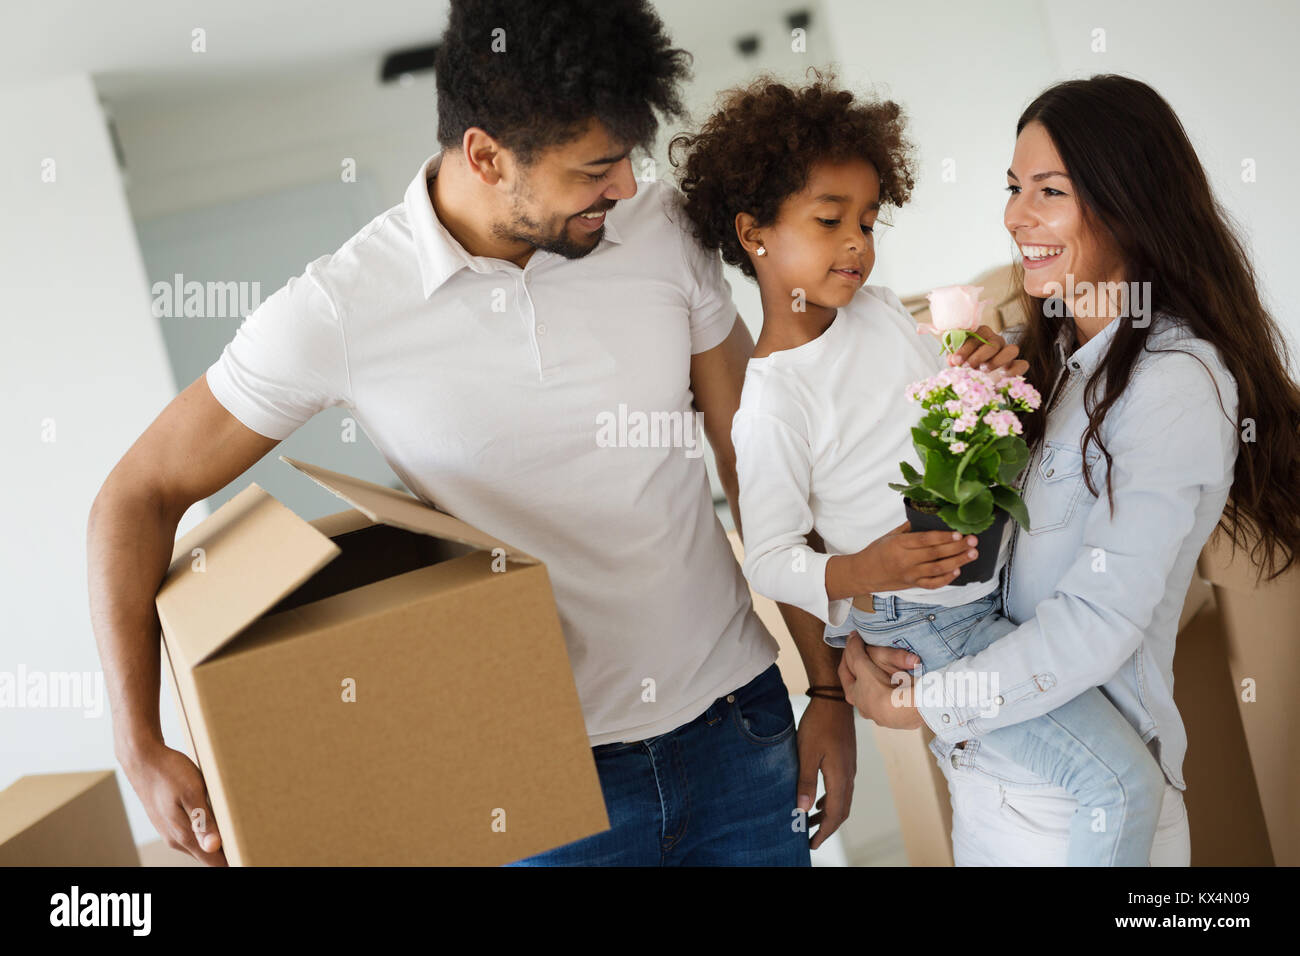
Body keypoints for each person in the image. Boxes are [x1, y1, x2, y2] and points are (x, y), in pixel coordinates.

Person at [89, 1, 971, 867]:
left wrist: (822, 685)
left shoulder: (657, 231)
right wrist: (139, 742)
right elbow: (141, 492)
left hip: (738, 727)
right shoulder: (342, 308)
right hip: (540, 793)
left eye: (626, 159)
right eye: (594, 169)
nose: (624, 186)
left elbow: (753, 458)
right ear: (485, 154)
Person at [673, 72, 1167, 866]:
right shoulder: (771, 400)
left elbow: (934, 415)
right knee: (1117, 786)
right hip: (926, 630)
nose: (857, 244)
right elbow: (768, 559)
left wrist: (985, 377)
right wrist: (862, 568)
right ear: (753, 232)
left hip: (992, 590)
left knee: (1086, 786)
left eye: (868, 221)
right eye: (830, 220)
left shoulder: (875, 310)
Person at [839, 74, 1300, 866]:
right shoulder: (1052, 368)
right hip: (990, 790)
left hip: (1080, 818)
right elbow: (972, 569)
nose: (1017, 216)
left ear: (1128, 200)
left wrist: (921, 701)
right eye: (1014, 187)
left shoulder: (1176, 383)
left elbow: (1097, 624)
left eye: (1049, 190)